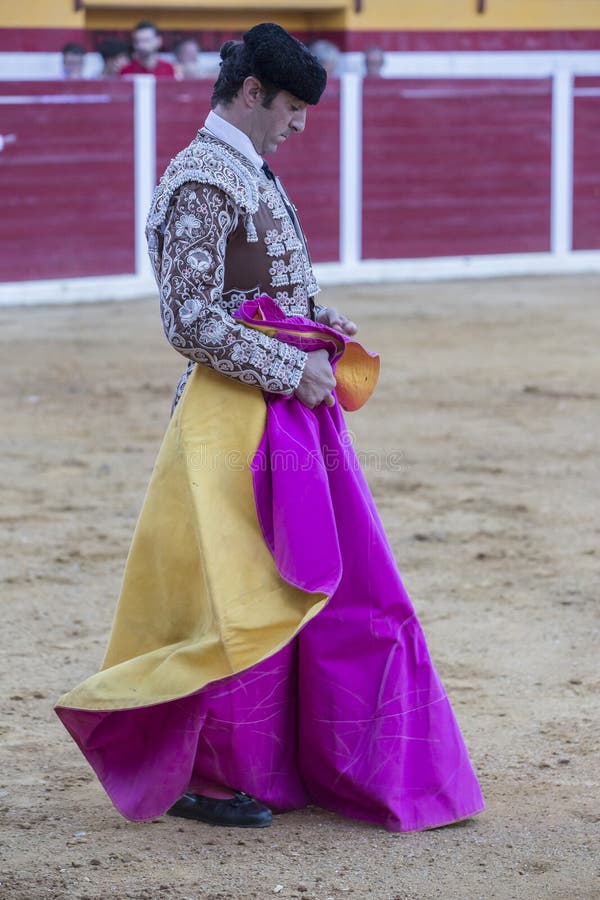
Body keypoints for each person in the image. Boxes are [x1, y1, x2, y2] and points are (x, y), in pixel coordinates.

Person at [56, 22, 484, 833]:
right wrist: (292, 367)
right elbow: (189, 319)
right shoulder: (203, 179)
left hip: (281, 416)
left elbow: (260, 292)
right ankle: (208, 772)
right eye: (291, 107)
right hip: (229, 421)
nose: (298, 124)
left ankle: (276, 758)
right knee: (238, 592)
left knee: (293, 587)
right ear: (252, 92)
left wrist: (315, 318)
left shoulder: (246, 168)